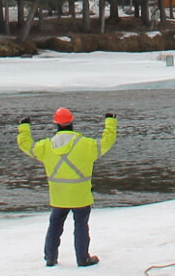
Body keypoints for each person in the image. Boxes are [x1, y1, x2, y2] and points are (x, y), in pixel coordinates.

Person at [19, 107, 119, 267]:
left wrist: (24, 127)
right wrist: (110, 122)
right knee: (81, 226)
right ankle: (83, 258)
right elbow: (107, 142)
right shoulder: (86, 144)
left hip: (59, 197)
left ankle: (50, 258)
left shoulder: (46, 146)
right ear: (72, 122)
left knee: (55, 225)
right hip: (81, 196)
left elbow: (26, 145)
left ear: (56, 124)